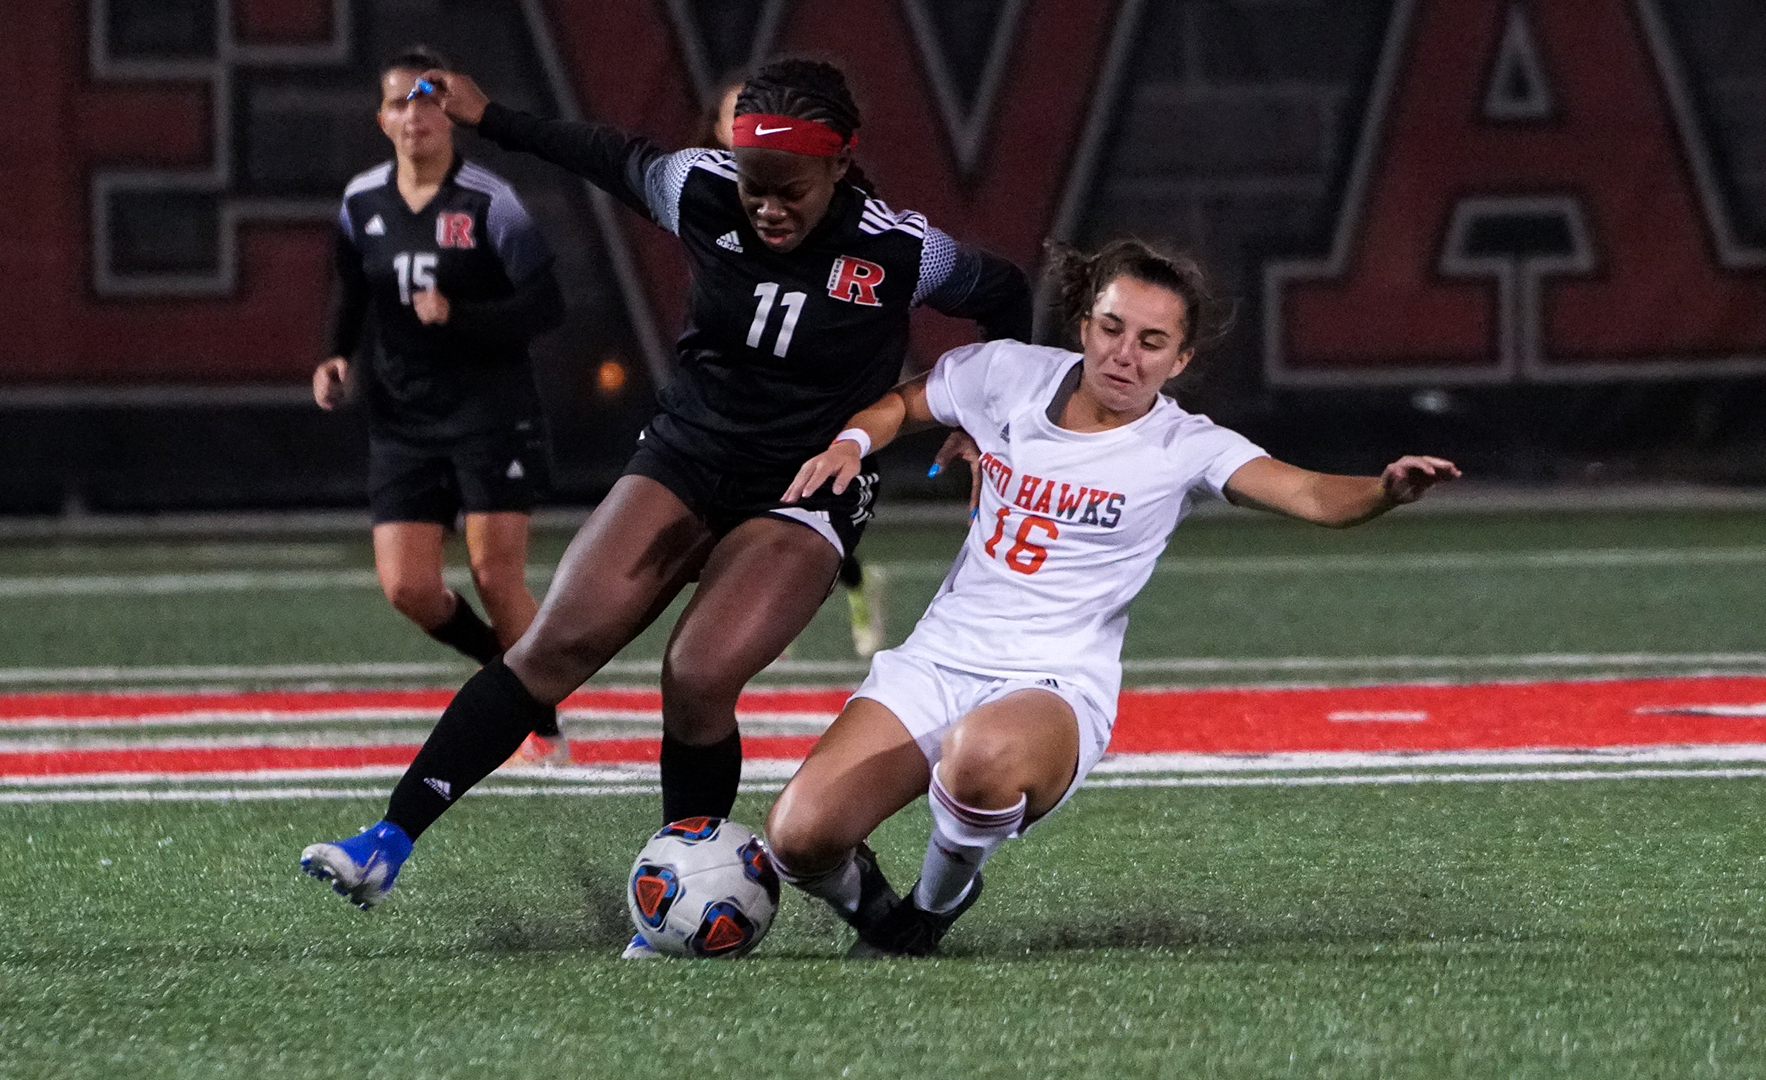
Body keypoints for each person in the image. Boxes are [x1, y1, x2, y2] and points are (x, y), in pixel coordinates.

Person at [300, 59, 1035, 955]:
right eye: (752, 183)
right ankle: (389, 838)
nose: (764, 205)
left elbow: (1003, 295)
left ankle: (678, 898)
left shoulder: (898, 248)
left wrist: (986, 421)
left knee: (695, 676)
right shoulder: (702, 185)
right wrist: (492, 114)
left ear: (843, 164)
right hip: (688, 452)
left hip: (803, 484)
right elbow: (603, 153)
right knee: (555, 643)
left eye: (788, 190)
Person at [762, 237, 1461, 957]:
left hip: (1053, 684)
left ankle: (932, 908)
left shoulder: (1185, 446)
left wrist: (1384, 491)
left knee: (980, 758)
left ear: (1180, 360)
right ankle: (879, 915)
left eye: (1153, 341)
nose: (1126, 354)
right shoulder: (1011, 374)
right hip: (940, 659)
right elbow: (909, 402)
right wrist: (852, 441)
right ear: (1084, 324)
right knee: (799, 837)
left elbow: (1313, 494)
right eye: (1113, 328)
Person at [313, 48, 570, 765]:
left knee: (495, 575)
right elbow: (350, 290)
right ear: (381, 119)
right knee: (409, 587)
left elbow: (546, 304)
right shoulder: (362, 199)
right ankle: (508, 672)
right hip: (403, 415)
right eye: (401, 102)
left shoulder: (489, 200)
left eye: (430, 99)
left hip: (490, 409)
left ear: (450, 110)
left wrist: (461, 315)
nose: (416, 114)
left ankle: (539, 720)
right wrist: (335, 355)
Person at [695, 75, 889, 657]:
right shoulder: (706, 196)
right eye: (739, 127)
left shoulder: (839, 216)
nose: (754, 140)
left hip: (807, 390)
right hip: (733, 388)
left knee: (803, 490)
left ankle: (840, 583)